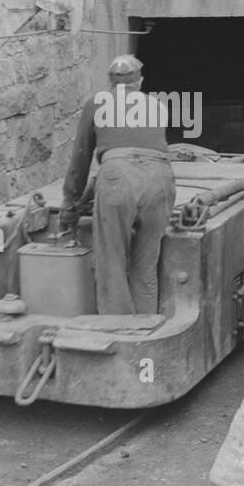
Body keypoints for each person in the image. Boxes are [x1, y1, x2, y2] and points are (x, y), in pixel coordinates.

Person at [59, 55, 176, 315]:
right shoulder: (157, 105)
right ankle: (145, 328)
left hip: (118, 176)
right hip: (160, 178)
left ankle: (119, 330)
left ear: (110, 83)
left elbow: (81, 158)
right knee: (145, 265)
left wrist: (71, 203)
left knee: (111, 263)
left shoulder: (96, 104)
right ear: (140, 81)